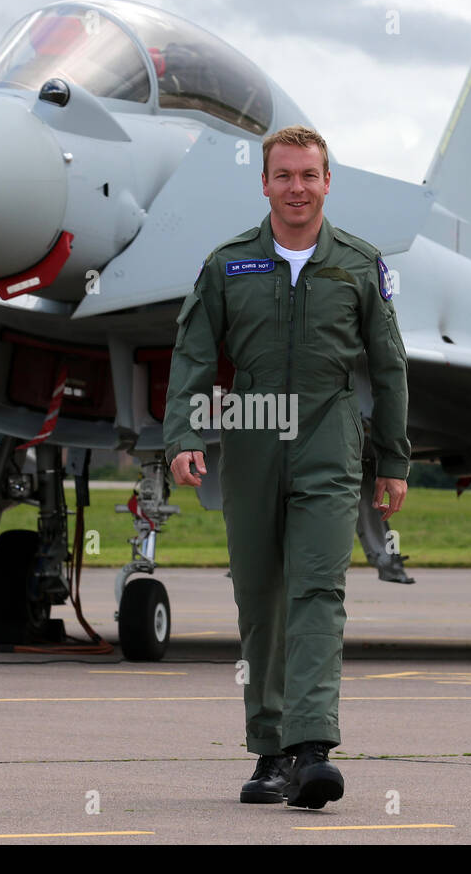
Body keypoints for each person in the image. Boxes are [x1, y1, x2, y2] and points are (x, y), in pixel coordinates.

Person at [163, 125, 410, 809]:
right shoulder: (227, 264)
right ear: (265, 183)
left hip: (330, 436)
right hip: (250, 431)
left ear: (327, 182)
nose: (297, 187)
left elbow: (389, 368)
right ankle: (269, 751)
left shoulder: (360, 265)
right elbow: (192, 355)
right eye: (284, 175)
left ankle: (311, 749)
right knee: (259, 592)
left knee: (317, 589)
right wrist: (183, 431)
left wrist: (393, 457)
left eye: (309, 175)